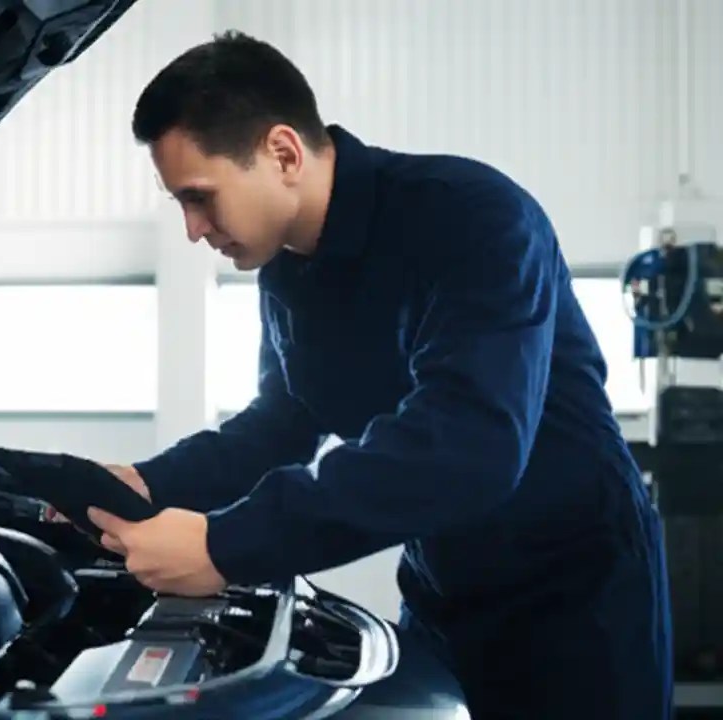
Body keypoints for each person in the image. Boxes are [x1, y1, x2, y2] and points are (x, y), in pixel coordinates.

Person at [74, 31, 673, 719]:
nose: (192, 228)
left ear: (283, 153)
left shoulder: (474, 218)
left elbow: (467, 446)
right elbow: (280, 425)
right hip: (445, 592)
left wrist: (226, 545)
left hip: (576, 596)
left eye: (200, 197)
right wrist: (145, 483)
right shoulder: (286, 273)